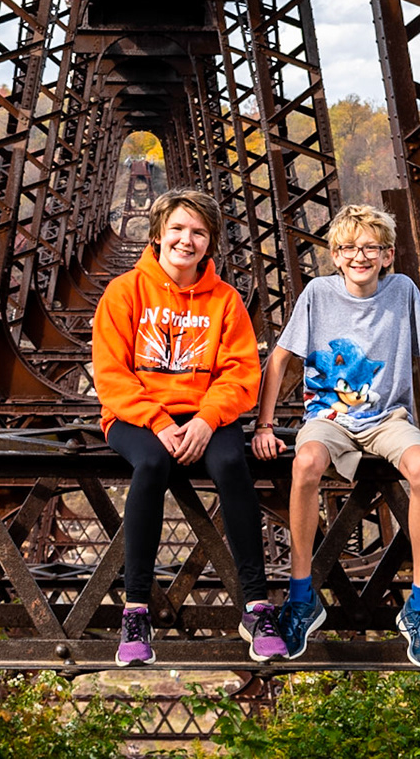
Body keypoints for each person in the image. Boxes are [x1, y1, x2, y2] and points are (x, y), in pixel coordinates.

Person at [252, 203, 420, 668]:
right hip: (329, 417)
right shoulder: (317, 293)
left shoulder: (403, 290)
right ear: (335, 255)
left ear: (388, 255)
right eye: (349, 248)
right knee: (306, 463)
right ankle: (301, 597)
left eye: (371, 248)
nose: (360, 256)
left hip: (388, 419)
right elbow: (279, 359)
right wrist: (264, 425)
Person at [91, 188, 286, 665]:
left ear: (210, 242)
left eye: (198, 232)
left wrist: (205, 419)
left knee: (231, 463)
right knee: (152, 464)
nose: (186, 240)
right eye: (177, 228)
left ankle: (256, 606)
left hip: (205, 413)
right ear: (157, 234)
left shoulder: (226, 300)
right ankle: (136, 611)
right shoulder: (124, 292)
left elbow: (241, 373)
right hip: (137, 416)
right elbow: (111, 374)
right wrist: (158, 421)